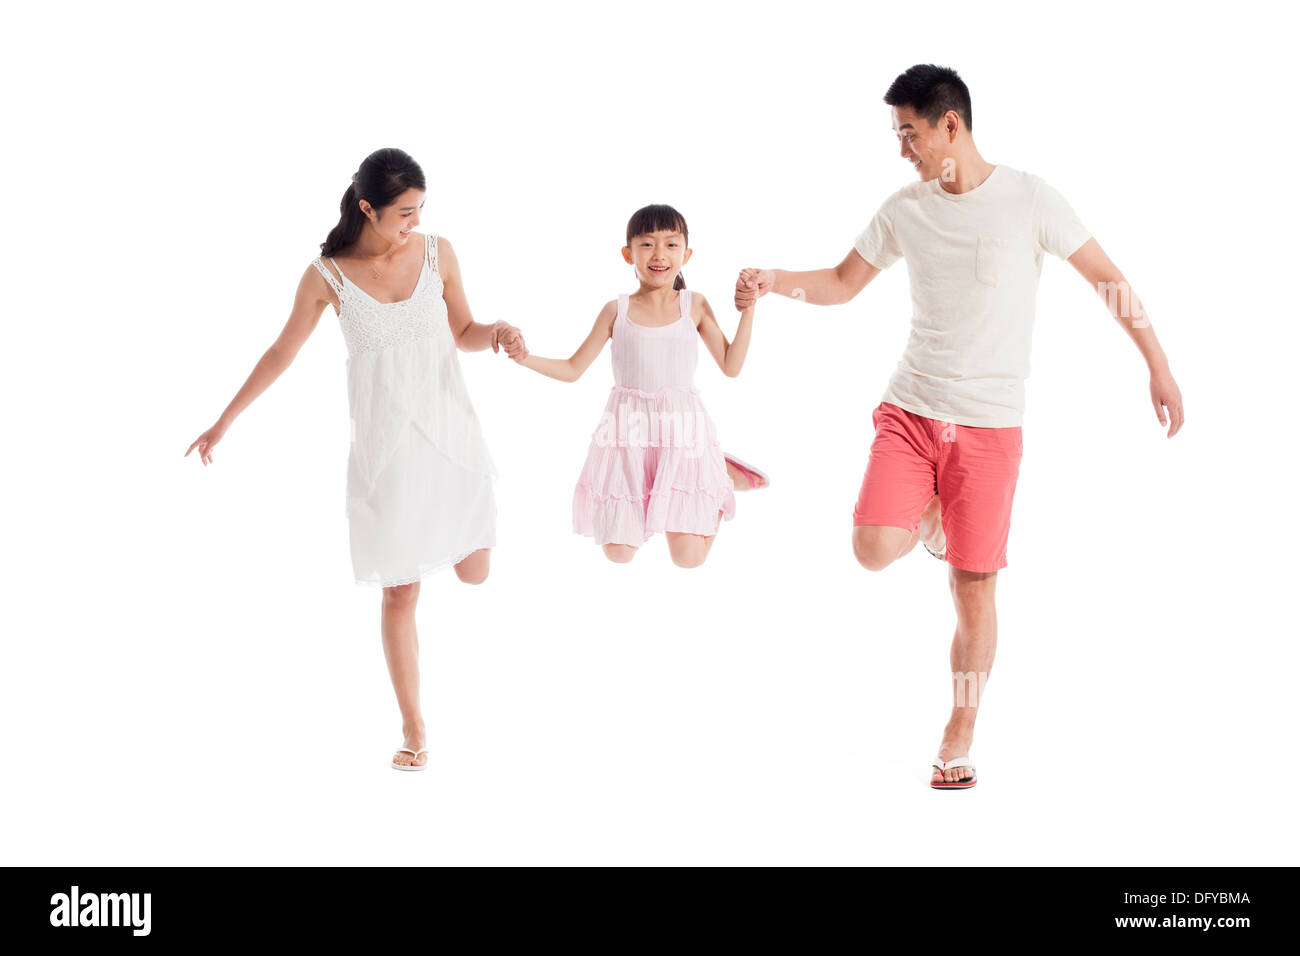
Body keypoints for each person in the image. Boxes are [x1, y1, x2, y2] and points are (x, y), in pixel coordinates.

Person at [734, 65, 1185, 790]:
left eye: (909, 134)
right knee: (873, 547)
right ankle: (929, 510)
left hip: (990, 428)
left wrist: (1156, 364)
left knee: (973, 590)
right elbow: (843, 283)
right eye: (897, 136)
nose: (902, 150)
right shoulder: (905, 208)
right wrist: (773, 280)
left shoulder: (1030, 198)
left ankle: (959, 730)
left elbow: (1108, 278)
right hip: (912, 407)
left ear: (952, 124)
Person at [185, 148, 525, 772]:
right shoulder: (327, 276)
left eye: (420, 209)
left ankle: (439, 529)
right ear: (367, 208)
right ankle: (415, 726)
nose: (412, 222)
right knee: (401, 595)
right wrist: (223, 422)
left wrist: (496, 331)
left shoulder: (437, 252)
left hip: (449, 434)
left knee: (475, 571)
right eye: (402, 212)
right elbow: (280, 353)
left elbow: (465, 331)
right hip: (387, 451)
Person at [509, 204, 769, 568]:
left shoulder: (693, 306)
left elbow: (731, 365)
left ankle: (718, 478)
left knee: (689, 560)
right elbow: (572, 368)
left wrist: (749, 311)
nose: (659, 254)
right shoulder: (616, 310)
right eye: (647, 244)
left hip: (682, 433)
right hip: (628, 433)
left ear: (686, 254)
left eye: (670, 244)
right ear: (628, 253)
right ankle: (716, 469)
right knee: (618, 552)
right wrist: (525, 358)